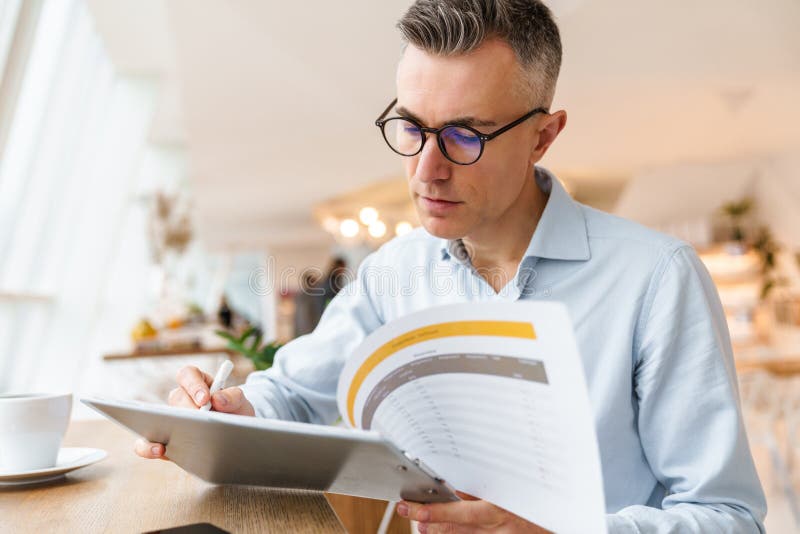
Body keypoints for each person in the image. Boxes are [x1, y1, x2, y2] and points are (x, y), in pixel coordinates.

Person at [135, 1, 767, 531]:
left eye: (466, 136)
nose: (426, 170)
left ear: (544, 136)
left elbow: (729, 517)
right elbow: (293, 395)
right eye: (411, 127)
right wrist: (222, 411)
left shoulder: (656, 280)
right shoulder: (394, 273)